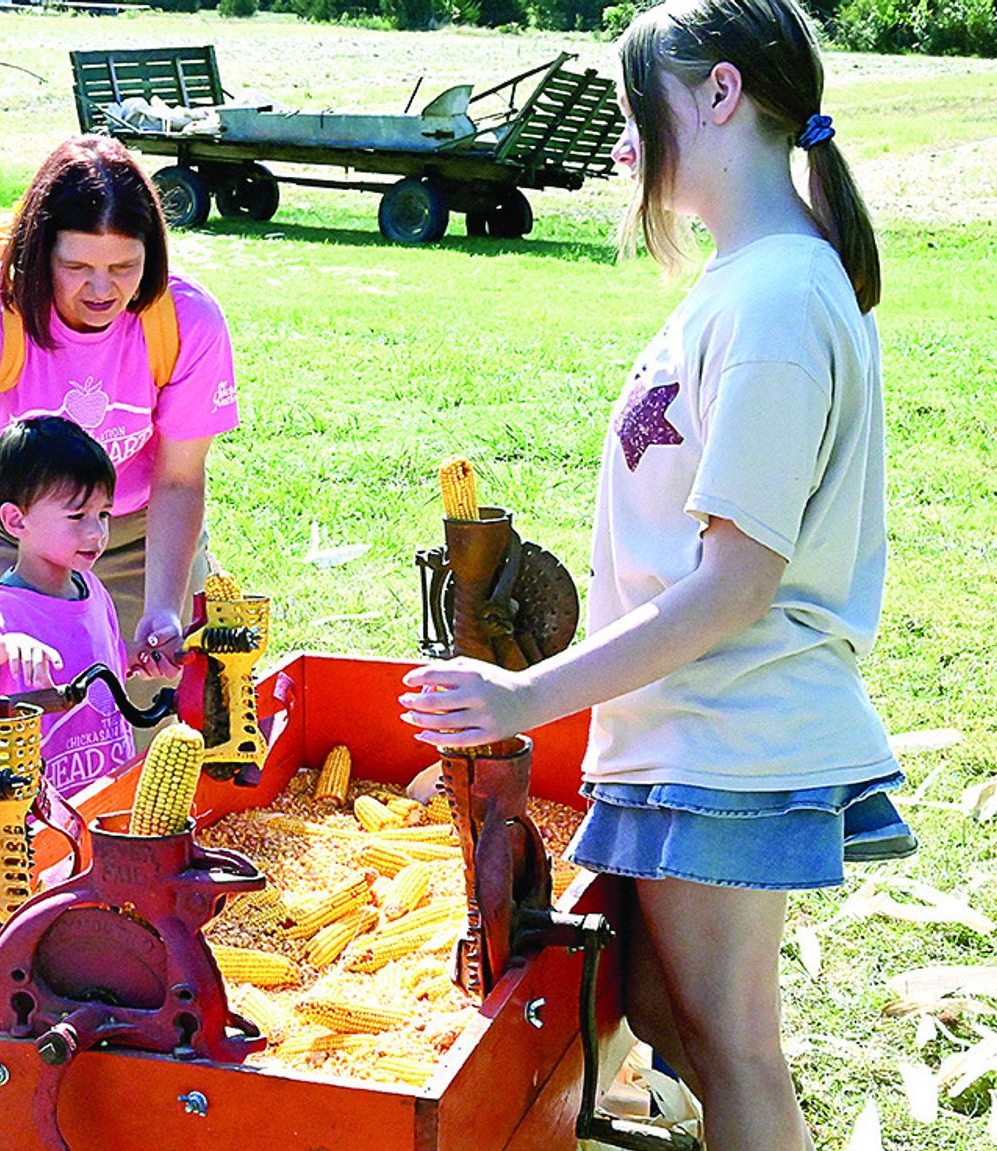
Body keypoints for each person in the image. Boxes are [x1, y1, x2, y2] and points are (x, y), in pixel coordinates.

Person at [398, 3, 913, 1149]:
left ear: (720, 96)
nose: (623, 143)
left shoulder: (778, 299)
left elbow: (736, 583)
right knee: (662, 1013)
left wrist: (529, 698)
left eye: (640, 110)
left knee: (732, 1046)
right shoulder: (749, 280)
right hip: (686, 725)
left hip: (733, 731)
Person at [0, 135, 239, 683]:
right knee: (19, 723)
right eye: (76, 266)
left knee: (145, 725)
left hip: (134, 532)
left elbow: (180, 480)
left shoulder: (188, 320)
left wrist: (163, 605)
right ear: (39, 253)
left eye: (124, 266)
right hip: (7, 532)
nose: (101, 289)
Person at [0, 416, 136, 796]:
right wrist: (6, 645)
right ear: (16, 520)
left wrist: (138, 659)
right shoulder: (0, 612)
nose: (96, 532)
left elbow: (102, 666)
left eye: (103, 514)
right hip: (32, 821)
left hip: (105, 800)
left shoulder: (93, 590)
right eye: (77, 515)